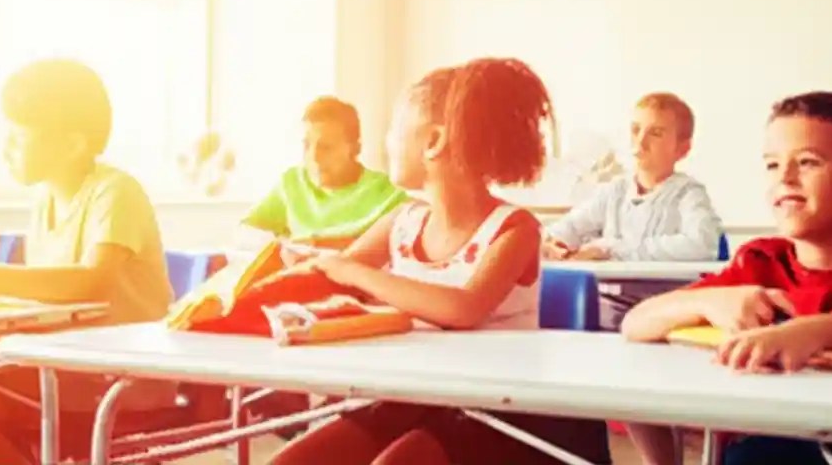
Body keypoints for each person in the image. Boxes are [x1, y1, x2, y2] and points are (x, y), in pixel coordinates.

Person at [269, 57, 608, 465]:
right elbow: (334, 276)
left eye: (394, 129)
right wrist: (289, 270)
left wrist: (351, 270)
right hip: (418, 394)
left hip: (501, 410)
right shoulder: (403, 222)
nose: (386, 141)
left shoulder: (515, 229)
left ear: (432, 141)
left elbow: (463, 308)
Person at [621, 92, 832, 465]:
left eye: (807, 162)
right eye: (772, 165)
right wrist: (708, 301)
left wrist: (804, 333)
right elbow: (635, 323)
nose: (785, 179)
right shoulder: (759, 262)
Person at [0, 59, 174, 464]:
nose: (5, 147)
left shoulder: (115, 192)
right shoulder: (44, 201)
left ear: (72, 145)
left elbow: (89, 283)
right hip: (60, 368)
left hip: (117, 379)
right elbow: (48, 300)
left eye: (19, 136)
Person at [543, 92, 723, 329]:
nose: (640, 142)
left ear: (682, 149)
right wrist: (554, 242)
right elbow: (570, 227)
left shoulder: (688, 194)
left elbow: (702, 245)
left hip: (666, 307)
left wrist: (611, 249)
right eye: (635, 130)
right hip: (610, 302)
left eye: (655, 133)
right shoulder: (615, 191)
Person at [242, 96, 406, 257]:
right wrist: (280, 245)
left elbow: (399, 247)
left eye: (326, 147)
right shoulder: (292, 182)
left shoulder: (389, 195)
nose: (314, 157)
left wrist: (317, 245)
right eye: (306, 145)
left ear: (355, 149)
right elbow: (246, 231)